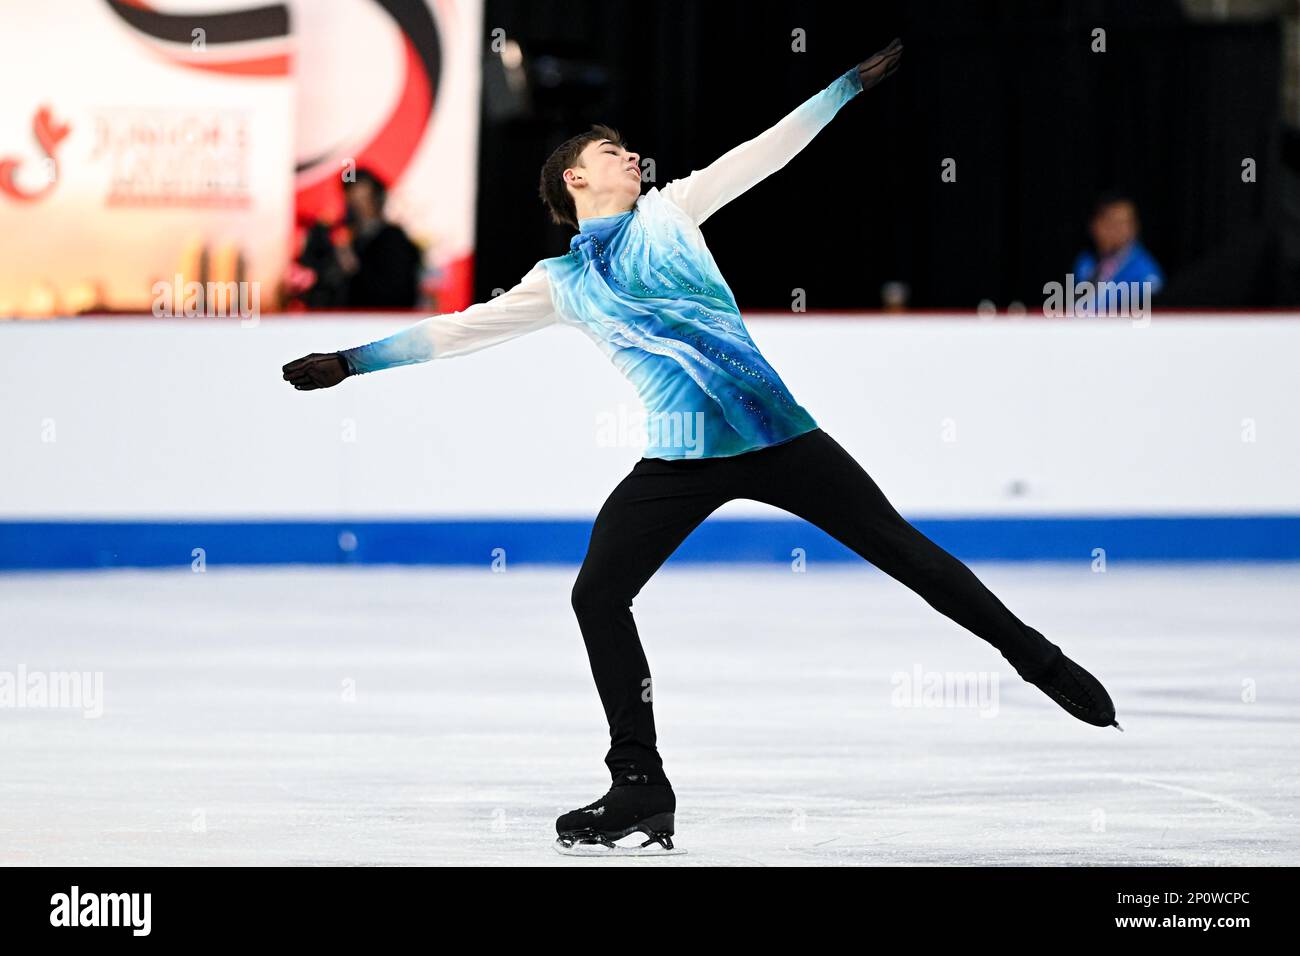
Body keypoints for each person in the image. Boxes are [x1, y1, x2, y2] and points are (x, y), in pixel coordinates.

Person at [283, 39, 1119, 856]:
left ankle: (1036, 658)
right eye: (613, 151)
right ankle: (640, 784)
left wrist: (842, 91)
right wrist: (352, 363)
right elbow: (459, 331)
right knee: (596, 595)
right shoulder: (559, 283)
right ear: (576, 178)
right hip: (679, 461)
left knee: (903, 551)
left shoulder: (673, 211)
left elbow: (766, 152)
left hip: (780, 438)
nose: (632, 156)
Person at [337, 167, 423, 309]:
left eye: (365, 199)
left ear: (377, 199)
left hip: (383, 321)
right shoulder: (342, 236)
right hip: (342, 321)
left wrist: (354, 267)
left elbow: (397, 290)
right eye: (354, 201)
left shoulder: (392, 239)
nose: (360, 208)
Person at [1072, 192, 1164, 313]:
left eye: (1125, 223)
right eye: (1112, 223)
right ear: (1096, 225)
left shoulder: (1145, 271)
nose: (1120, 230)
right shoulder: (1085, 262)